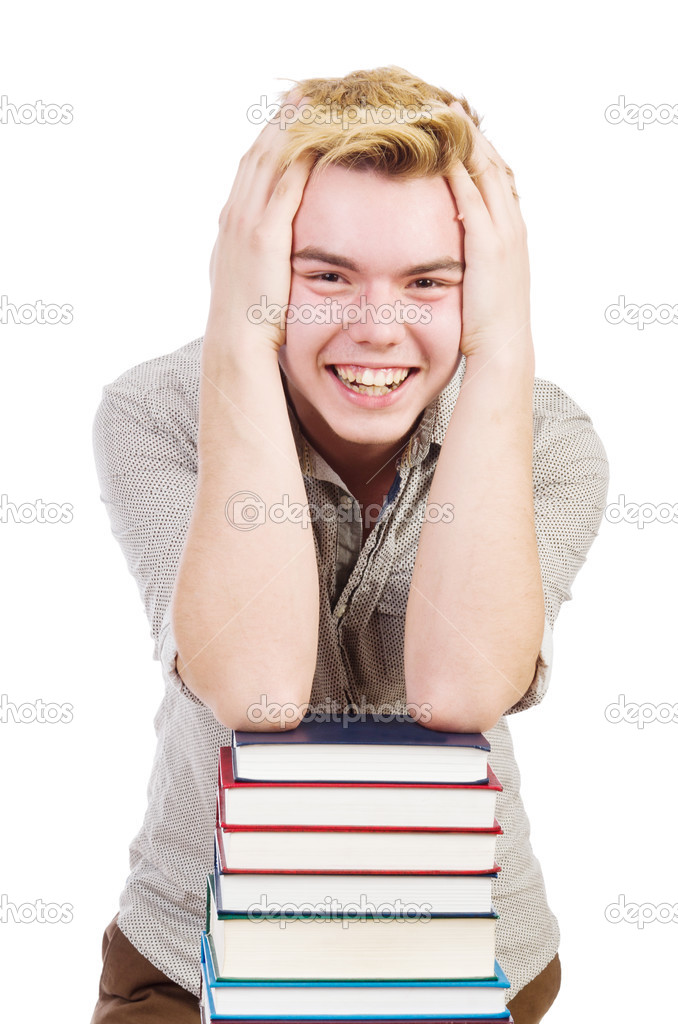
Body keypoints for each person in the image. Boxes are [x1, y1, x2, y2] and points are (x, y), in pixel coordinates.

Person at [90, 66, 609, 1024]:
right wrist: (239, 338)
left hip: (474, 952)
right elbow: (259, 690)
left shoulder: (552, 442)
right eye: (324, 274)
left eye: (429, 282)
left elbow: (456, 694)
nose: (377, 329)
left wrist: (502, 352)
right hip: (188, 966)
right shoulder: (155, 415)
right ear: (257, 266)